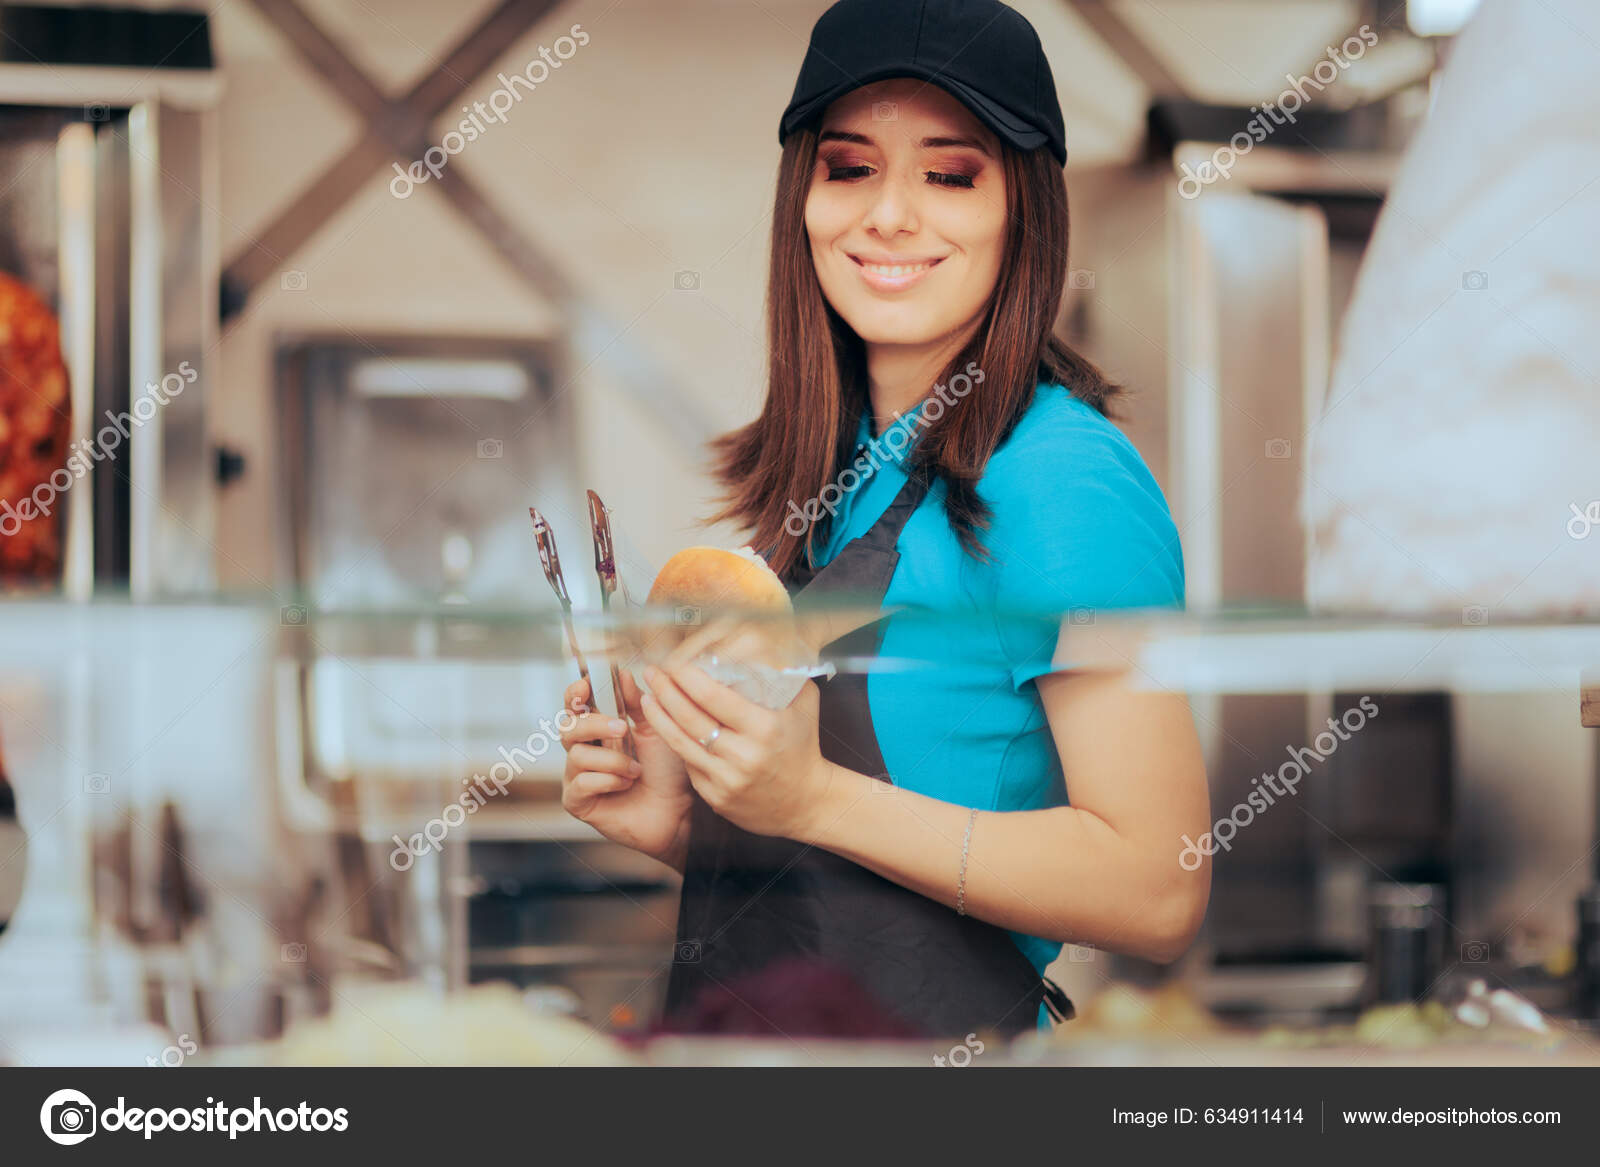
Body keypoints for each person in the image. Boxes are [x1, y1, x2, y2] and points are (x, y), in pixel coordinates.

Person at [560, 0, 1210, 1036]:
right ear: (802, 200)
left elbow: (1158, 890)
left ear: (1023, 211)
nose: (888, 216)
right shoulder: (840, 468)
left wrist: (810, 798)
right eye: (849, 168)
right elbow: (856, 879)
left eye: (950, 175)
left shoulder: (1063, 479)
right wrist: (690, 823)